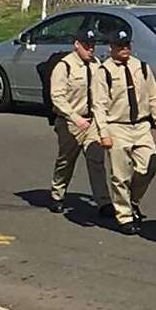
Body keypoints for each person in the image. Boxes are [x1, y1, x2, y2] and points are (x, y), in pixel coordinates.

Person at [93, 29, 156, 234]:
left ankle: (132, 200)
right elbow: (99, 105)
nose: (125, 49)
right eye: (120, 46)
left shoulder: (141, 67)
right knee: (120, 175)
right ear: (111, 48)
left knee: (149, 165)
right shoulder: (104, 72)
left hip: (141, 125)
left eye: (127, 45)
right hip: (117, 125)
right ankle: (124, 215)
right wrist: (104, 133)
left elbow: (154, 98)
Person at [47, 28, 112, 217]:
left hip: (92, 121)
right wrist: (74, 117)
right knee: (66, 160)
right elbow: (57, 97)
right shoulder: (64, 66)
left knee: (96, 160)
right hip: (70, 122)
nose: (90, 49)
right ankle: (57, 193)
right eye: (86, 45)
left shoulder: (96, 64)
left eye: (92, 45)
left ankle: (103, 202)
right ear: (76, 44)